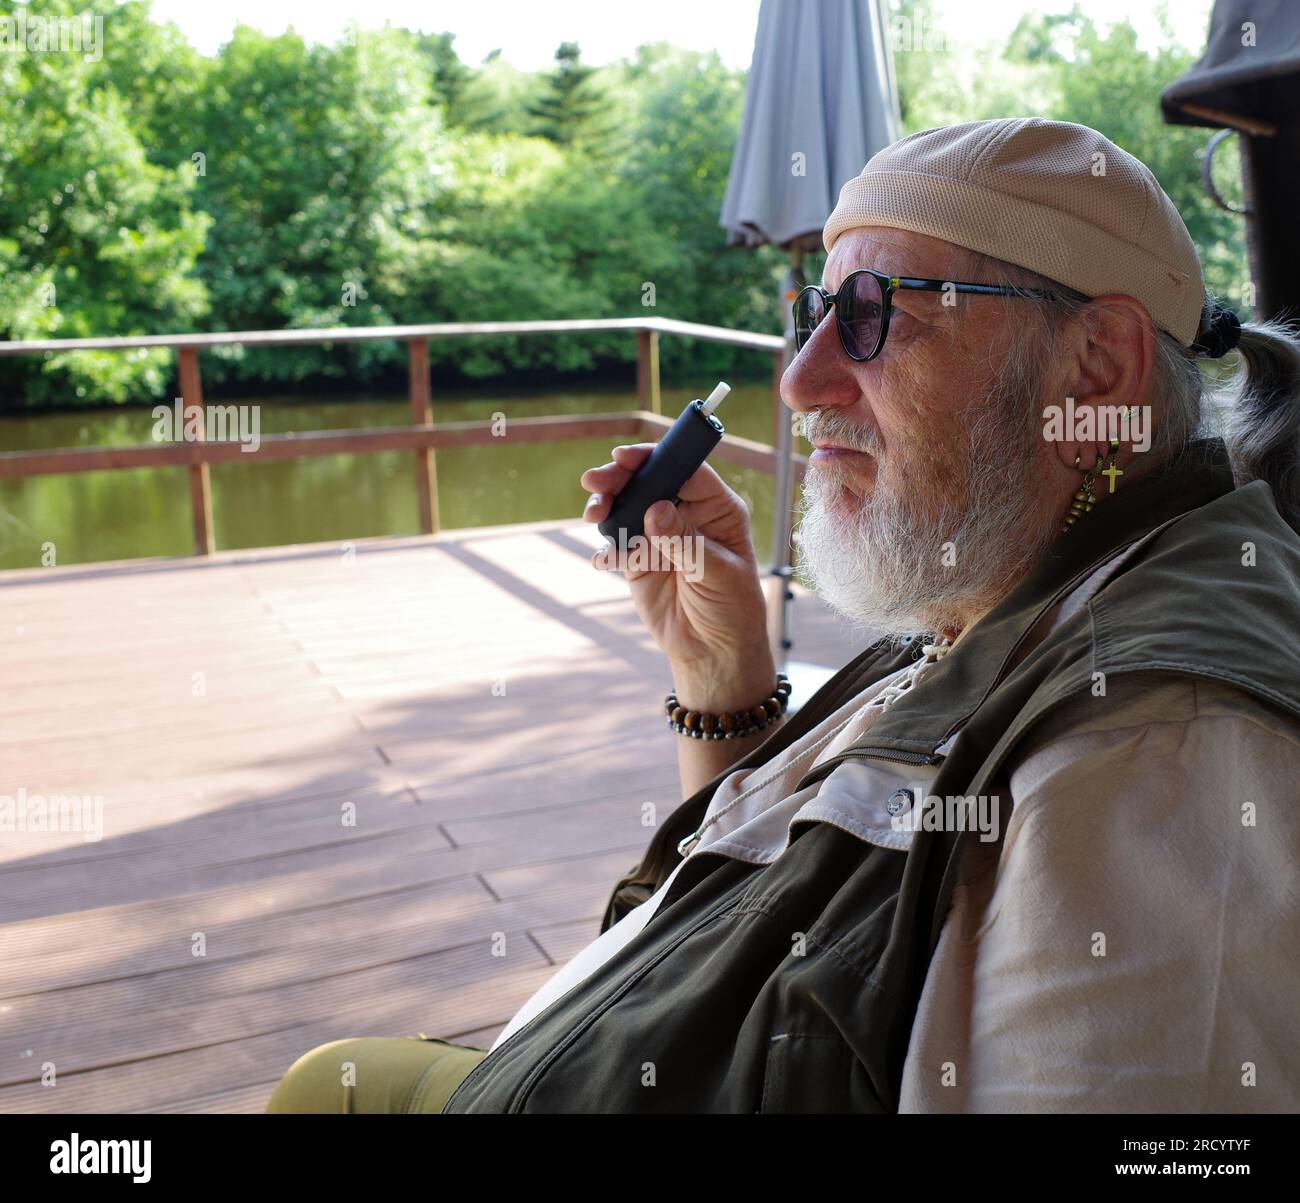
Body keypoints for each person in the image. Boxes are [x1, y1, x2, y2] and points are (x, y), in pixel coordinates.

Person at [268, 117, 1300, 1114]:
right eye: (817, 311)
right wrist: (724, 682)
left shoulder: (1162, 743)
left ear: (1095, 372)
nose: (801, 382)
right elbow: (793, 919)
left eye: (874, 314)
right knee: (334, 1081)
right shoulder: (1013, 587)